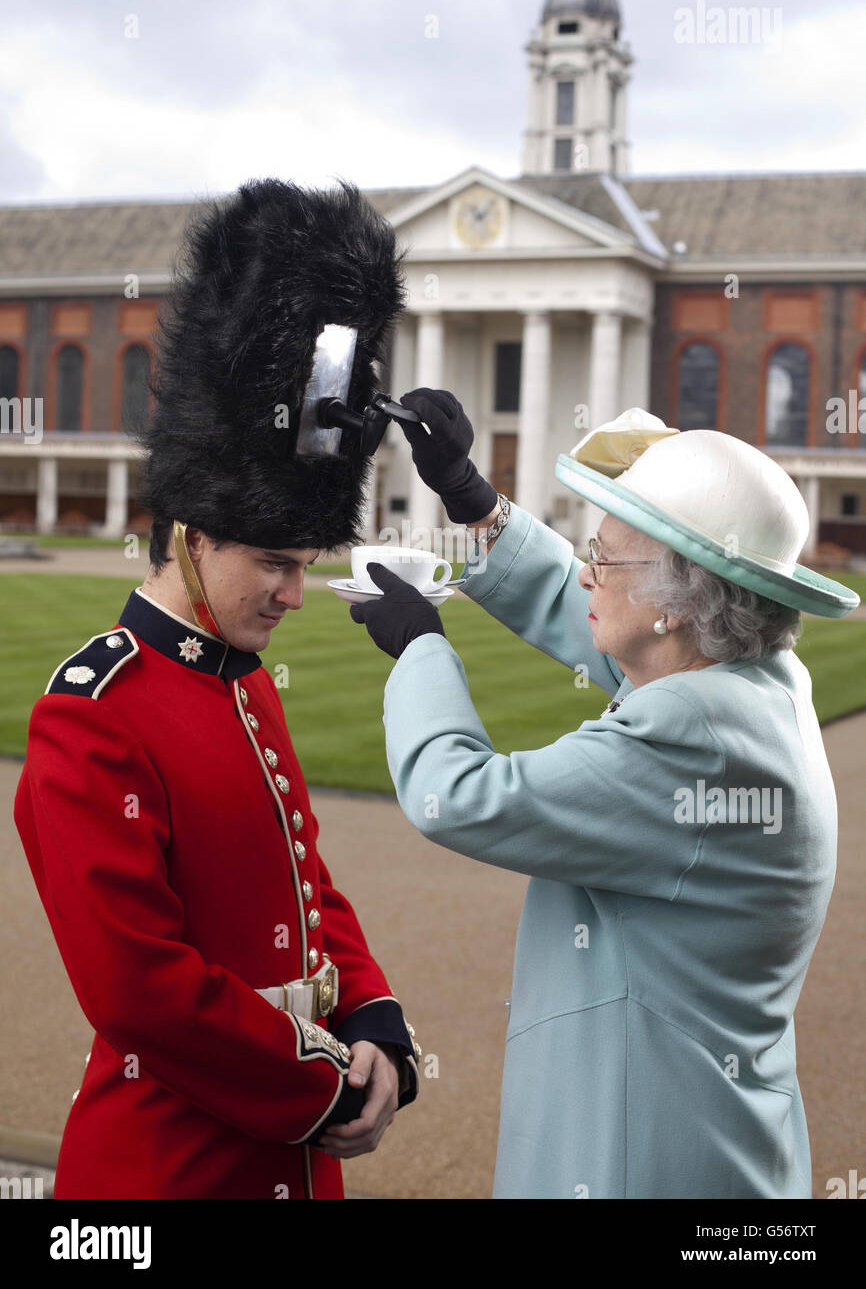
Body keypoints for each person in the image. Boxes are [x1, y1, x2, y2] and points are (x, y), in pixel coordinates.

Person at [13, 178, 421, 1200]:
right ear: (195, 538)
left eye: (304, 562)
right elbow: (139, 989)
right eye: (274, 563)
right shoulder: (91, 713)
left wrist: (371, 1017)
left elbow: (305, 882)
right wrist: (324, 1078)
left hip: (285, 1161)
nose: (294, 592)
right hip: (164, 1174)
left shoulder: (244, 685)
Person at [350, 391, 860, 1200]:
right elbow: (586, 608)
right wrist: (468, 493)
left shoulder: (696, 733)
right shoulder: (747, 678)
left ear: (676, 598)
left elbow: (460, 794)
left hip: (635, 1157)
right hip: (709, 1143)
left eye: (606, 555)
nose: (587, 568)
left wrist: (420, 649)